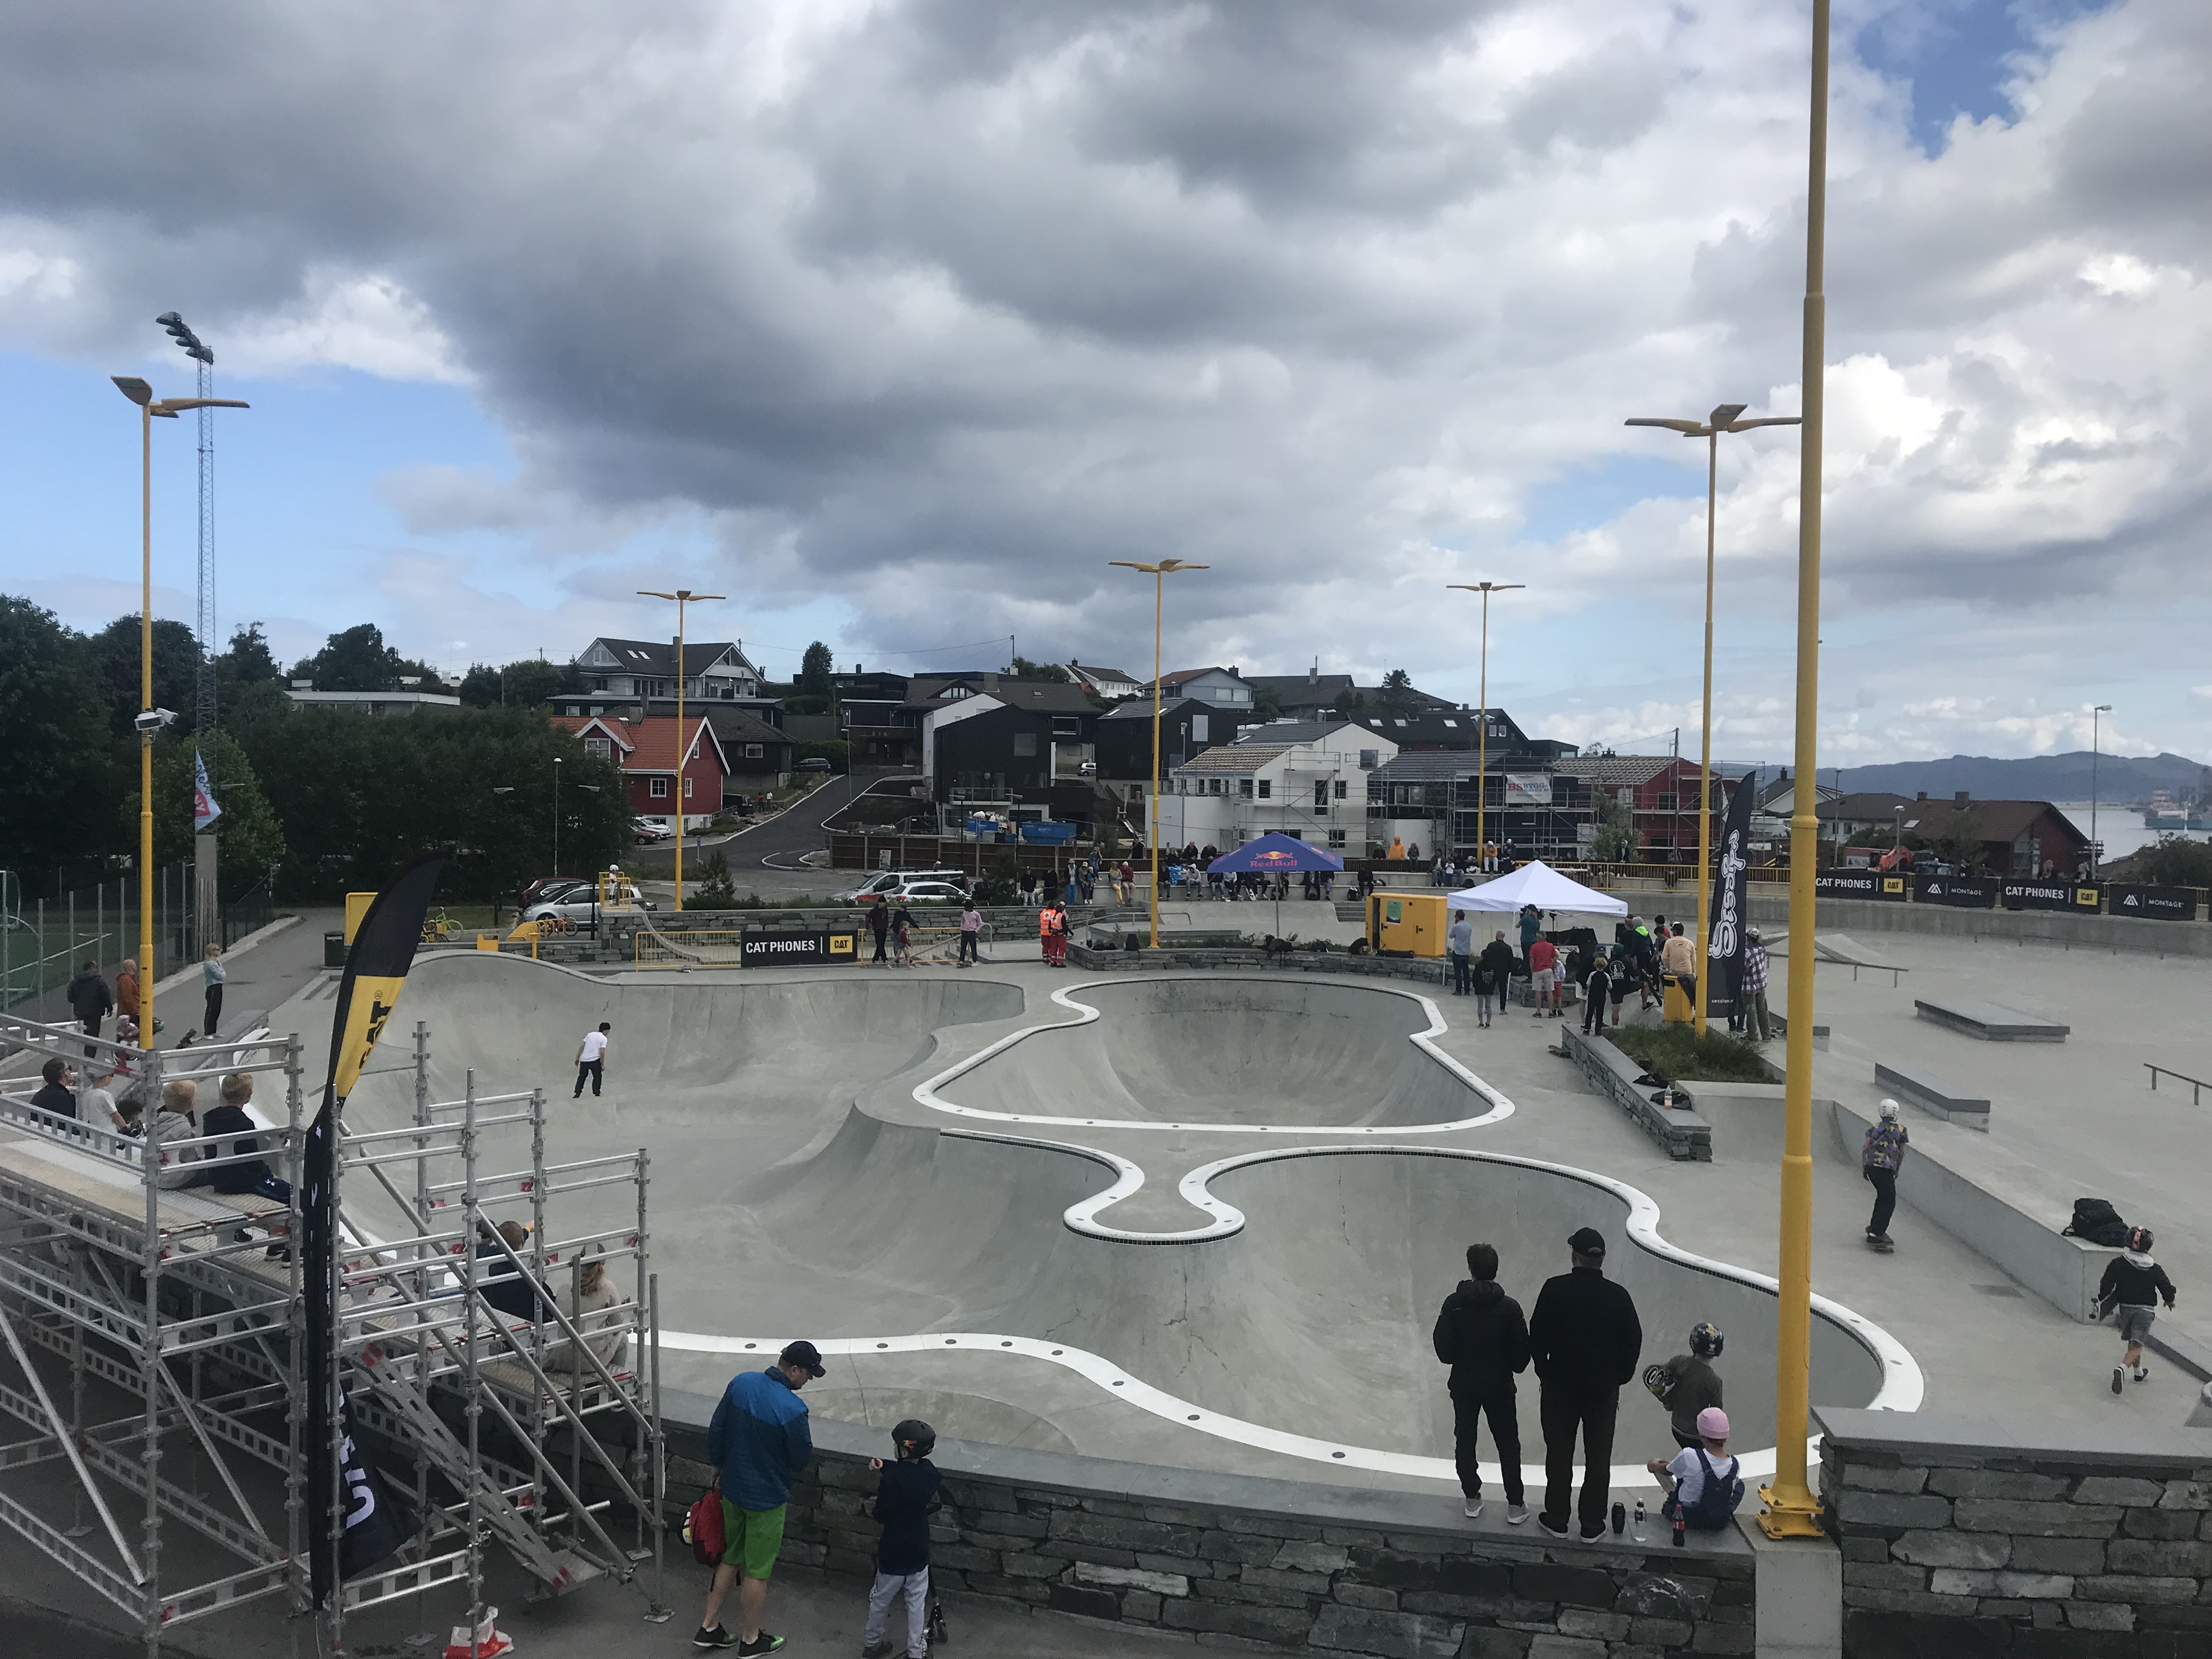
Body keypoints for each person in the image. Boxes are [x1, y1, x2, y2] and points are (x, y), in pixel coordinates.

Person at [697, 1339, 824, 1654]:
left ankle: (709, 1626)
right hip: (767, 1500)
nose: (808, 1381)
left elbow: (717, 1429)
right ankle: (751, 1640)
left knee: (730, 1557)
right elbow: (799, 1460)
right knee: (757, 1571)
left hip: (733, 1490)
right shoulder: (794, 1409)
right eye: (808, 1374)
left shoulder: (741, 1383)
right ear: (794, 1370)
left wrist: (719, 1465)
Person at [1526, 1226, 1642, 1542]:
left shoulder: (1555, 1289)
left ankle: (1558, 1518)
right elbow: (1633, 1340)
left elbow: (1536, 1334)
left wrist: (1544, 1371)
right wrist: (1621, 1376)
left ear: (1574, 1256)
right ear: (1601, 1260)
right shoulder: (1619, 1296)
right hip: (1602, 1392)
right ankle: (1592, 1523)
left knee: (1559, 1453)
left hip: (1560, 1389)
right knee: (1598, 1456)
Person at [1431, 1242, 1530, 1525]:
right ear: (1496, 1271)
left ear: (1471, 1270)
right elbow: (1522, 1358)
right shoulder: (1511, 1308)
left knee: (1465, 1438)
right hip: (1499, 1385)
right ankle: (1515, 1504)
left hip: (1464, 1383)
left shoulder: (1454, 1304)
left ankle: (1472, 1498)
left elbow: (1443, 1350)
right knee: (1508, 1444)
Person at [861, 1418, 943, 1659]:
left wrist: (886, 1472)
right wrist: (885, 1465)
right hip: (918, 1549)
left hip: (893, 1552)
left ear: (904, 1450)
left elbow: (882, 1513)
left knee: (881, 1599)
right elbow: (910, 1474)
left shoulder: (891, 1482)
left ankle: (873, 1644)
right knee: (916, 1604)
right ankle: (916, 1651)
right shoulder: (929, 1473)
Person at [176, 1072, 292, 1201]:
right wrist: (268, 1173)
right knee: (292, 1194)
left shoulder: (211, 1120)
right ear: (249, 1094)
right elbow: (252, 1161)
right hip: (241, 1181)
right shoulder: (244, 1123)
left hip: (218, 1179)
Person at [2097, 1227, 2178, 1395]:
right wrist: (2170, 1300)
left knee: (2134, 1340)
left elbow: (2106, 1283)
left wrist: (2102, 1298)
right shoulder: (2154, 1268)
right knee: (2137, 1345)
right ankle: (2122, 1368)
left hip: (2126, 1308)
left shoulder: (2118, 1263)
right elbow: (2166, 1288)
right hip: (2145, 1310)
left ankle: (2138, 1373)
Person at [1645, 1407, 1744, 1534]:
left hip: (1686, 1516)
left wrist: (1653, 1464)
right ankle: (1725, 1512)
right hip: (1718, 1522)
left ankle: (1673, 1498)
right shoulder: (1734, 1464)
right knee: (1739, 1485)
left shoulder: (1689, 1455)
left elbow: (1667, 1471)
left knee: (1664, 1469)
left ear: (1701, 1434)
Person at [1646, 1323, 1726, 1450]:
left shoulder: (1679, 1362)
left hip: (1676, 1427)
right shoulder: (1715, 1381)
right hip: (1696, 1436)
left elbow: (1661, 1376)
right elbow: (1717, 1414)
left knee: (1687, 1452)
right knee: (1698, 1459)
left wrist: (1667, 1399)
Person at [1861, 1099, 1908, 1251]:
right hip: (1886, 1169)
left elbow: (1865, 1148)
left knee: (1883, 1196)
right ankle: (1878, 1233)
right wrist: (1897, 1170)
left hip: (1872, 1167)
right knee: (1889, 1200)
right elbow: (1901, 1153)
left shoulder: (1875, 1128)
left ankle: (1875, 1227)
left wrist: (1865, 1167)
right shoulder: (1901, 1130)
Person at [66, 960, 112, 1056]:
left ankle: (84, 1056)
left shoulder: (75, 982)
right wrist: (109, 1008)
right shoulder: (99, 982)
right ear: (92, 968)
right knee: (93, 1035)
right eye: (95, 967)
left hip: (81, 1013)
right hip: (95, 1013)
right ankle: (90, 1057)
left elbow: (70, 997)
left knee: (85, 1033)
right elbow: (106, 996)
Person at [1739, 928, 1771, 1041]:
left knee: (1751, 1010)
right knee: (1762, 1009)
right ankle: (1766, 1035)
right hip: (1761, 983)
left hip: (1750, 985)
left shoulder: (1748, 953)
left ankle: (1752, 1035)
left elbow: (1744, 968)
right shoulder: (1762, 948)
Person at [1479, 930, 1516, 1025]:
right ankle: (1502, 1009)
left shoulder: (1491, 946)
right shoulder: (1508, 948)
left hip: (1492, 971)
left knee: (1489, 989)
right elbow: (1511, 961)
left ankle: (1487, 1008)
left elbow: (1486, 957)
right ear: (1503, 936)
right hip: (1503, 972)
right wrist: (1509, 971)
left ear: (1497, 936)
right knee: (1503, 990)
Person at [1661, 923, 1697, 1012]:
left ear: (1676, 931)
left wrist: (1669, 967)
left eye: (1673, 930)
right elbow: (1693, 960)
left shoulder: (1669, 942)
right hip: (1688, 973)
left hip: (1674, 972)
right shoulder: (1690, 943)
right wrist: (1691, 971)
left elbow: (1664, 957)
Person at [30, 1057, 78, 1122]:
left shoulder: (42, 1094)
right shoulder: (61, 1097)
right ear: (64, 1073)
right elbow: (68, 1126)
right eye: (69, 1069)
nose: (70, 1071)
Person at [573, 1020, 611, 1098]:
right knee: (597, 1076)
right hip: (594, 1060)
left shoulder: (590, 1035)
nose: (608, 1033)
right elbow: (602, 1052)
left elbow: (582, 1046)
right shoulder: (603, 1039)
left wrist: (578, 1058)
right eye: (608, 1031)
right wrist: (602, 1064)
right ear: (606, 1030)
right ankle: (596, 1093)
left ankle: (577, 1093)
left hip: (584, 1060)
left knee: (582, 1077)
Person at [1528, 934, 1560, 1019]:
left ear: (1539, 938)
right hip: (1548, 970)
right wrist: (1553, 967)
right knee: (1550, 991)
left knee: (1538, 992)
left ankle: (1539, 1012)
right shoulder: (1551, 946)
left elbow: (1532, 960)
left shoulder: (1534, 947)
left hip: (1538, 970)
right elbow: (1555, 958)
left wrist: (1532, 969)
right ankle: (1550, 1012)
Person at [1446, 910, 1475, 998]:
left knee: (1458, 972)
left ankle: (1458, 990)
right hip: (1466, 952)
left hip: (1458, 951)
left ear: (1457, 917)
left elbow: (1451, 936)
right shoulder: (1469, 927)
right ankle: (1467, 990)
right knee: (1466, 972)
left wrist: (1455, 924)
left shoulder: (1456, 926)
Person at [1582, 955, 1613, 1035]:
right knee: (1600, 1012)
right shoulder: (1607, 976)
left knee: (1590, 1011)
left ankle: (1587, 1028)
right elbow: (1610, 987)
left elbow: (1588, 984)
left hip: (1592, 995)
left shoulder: (1592, 974)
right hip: (1602, 996)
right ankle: (1598, 1030)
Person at [201, 946, 225, 1037]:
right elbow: (220, 975)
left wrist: (222, 973)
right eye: (217, 950)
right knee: (211, 1009)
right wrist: (222, 973)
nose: (219, 951)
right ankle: (208, 1032)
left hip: (218, 986)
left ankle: (213, 1031)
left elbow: (222, 973)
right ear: (212, 951)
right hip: (213, 987)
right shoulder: (210, 964)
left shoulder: (216, 962)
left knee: (217, 1009)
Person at [116, 957, 142, 1032]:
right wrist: (136, 1012)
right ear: (133, 967)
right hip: (129, 1015)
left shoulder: (130, 980)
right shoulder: (126, 980)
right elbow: (128, 999)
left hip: (129, 1014)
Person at [1517, 905, 1543, 977]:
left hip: (1525, 941)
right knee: (1532, 958)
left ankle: (1526, 973)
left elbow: (1517, 926)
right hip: (1534, 941)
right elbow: (1537, 931)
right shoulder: (1537, 921)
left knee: (1526, 957)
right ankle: (1533, 973)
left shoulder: (1525, 918)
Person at [890, 901, 917, 968]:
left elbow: (911, 920)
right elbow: (895, 921)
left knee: (901, 945)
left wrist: (917, 926)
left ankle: (903, 958)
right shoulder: (897, 913)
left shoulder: (906, 914)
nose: (899, 908)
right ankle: (898, 959)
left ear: (903, 908)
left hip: (900, 931)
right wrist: (891, 927)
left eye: (900, 907)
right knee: (897, 945)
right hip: (897, 930)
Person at [957, 899, 982, 967]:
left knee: (973, 947)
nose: (966, 909)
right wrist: (962, 929)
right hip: (965, 931)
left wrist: (976, 931)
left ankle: (975, 961)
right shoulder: (964, 913)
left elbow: (980, 924)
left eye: (967, 907)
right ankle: (961, 960)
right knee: (963, 947)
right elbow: (963, 921)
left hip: (972, 932)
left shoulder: (976, 914)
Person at [867, 895, 891, 966]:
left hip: (884, 929)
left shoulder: (885, 910)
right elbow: (868, 918)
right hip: (877, 929)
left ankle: (875, 959)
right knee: (880, 944)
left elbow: (886, 918)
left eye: (884, 903)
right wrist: (868, 927)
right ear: (879, 903)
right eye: (882, 903)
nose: (884, 904)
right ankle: (885, 959)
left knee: (881, 945)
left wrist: (887, 926)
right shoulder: (874, 910)